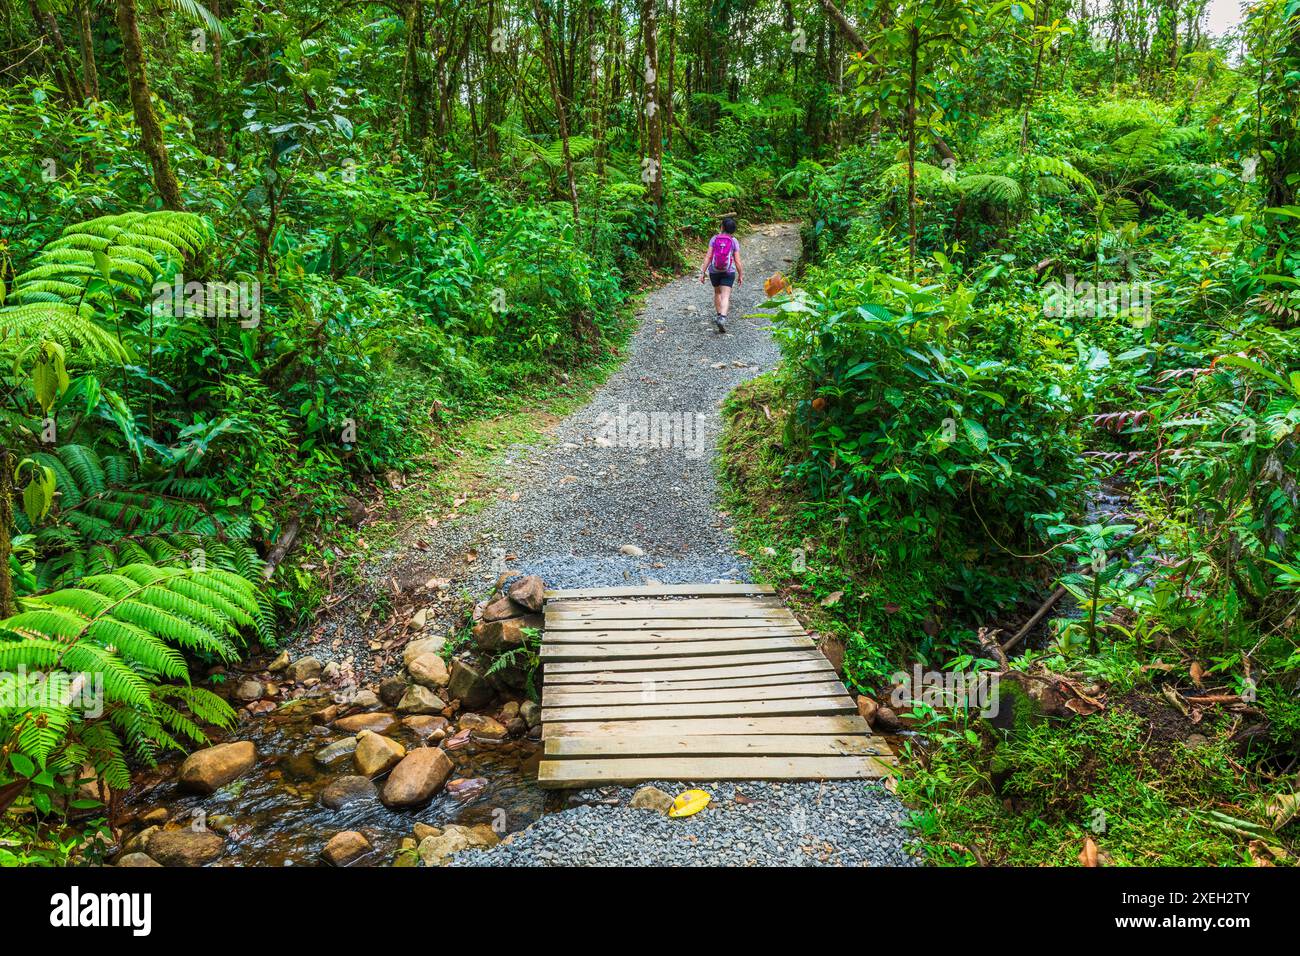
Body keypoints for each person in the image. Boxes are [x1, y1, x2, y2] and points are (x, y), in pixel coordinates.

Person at [699, 216, 743, 333]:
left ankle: (719, 315)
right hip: (729, 271)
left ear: (722, 227)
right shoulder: (734, 241)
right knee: (726, 295)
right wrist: (740, 274)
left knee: (717, 292)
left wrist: (702, 272)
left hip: (714, 271)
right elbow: (737, 261)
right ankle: (722, 318)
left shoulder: (714, 239)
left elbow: (708, 256)